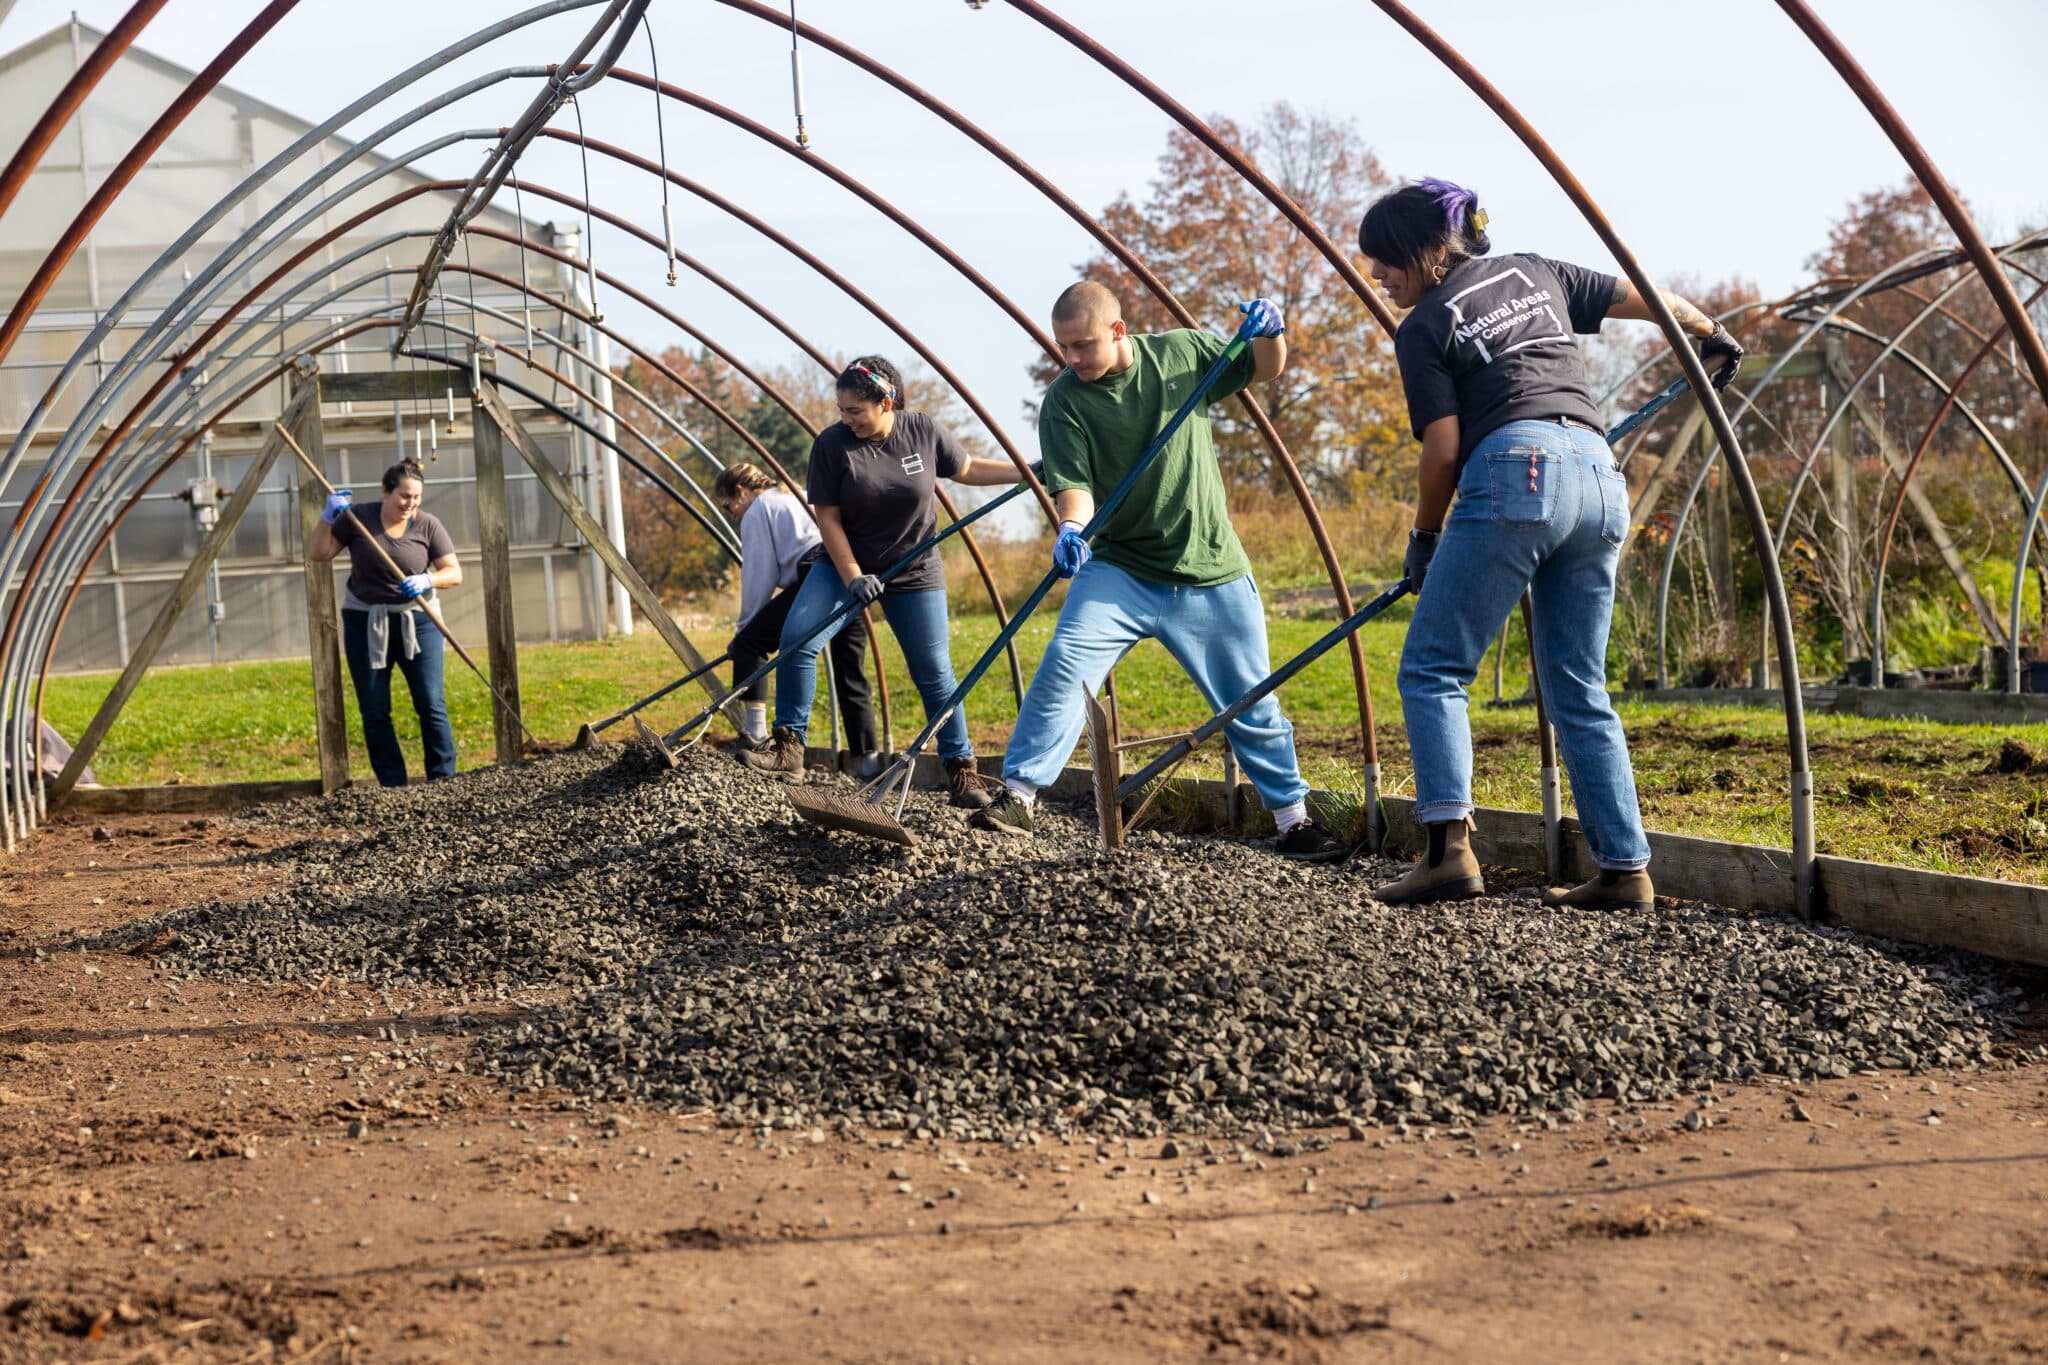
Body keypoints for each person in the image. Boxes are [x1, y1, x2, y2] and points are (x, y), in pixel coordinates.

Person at [1358, 177, 1743, 910]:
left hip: (1514, 471)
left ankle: (1446, 853)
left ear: (1428, 252)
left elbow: (1443, 450)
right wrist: (1708, 331)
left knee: (1434, 666)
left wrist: (1424, 536)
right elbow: (1647, 298)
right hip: (1599, 477)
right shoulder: (1537, 272)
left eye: (1384, 261)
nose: (1377, 276)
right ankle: (1626, 868)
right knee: (1577, 683)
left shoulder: (1424, 324)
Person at [970, 281, 1348, 862]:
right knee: (1066, 662)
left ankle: (1292, 821)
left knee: (1251, 698)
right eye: (1062, 347)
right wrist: (1071, 529)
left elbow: (1263, 370)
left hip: (1211, 569)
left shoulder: (1181, 354)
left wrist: (1272, 333)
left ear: (1118, 332)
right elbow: (1074, 486)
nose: (1071, 359)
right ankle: (1018, 796)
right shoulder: (1065, 401)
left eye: (1083, 345)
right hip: (1120, 568)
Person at [739, 356, 1015, 810]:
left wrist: (1025, 472)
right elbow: (827, 520)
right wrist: (853, 578)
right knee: (797, 638)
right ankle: (789, 748)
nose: (845, 419)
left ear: (886, 402)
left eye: (855, 411)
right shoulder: (832, 446)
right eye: (841, 410)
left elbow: (966, 469)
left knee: (935, 673)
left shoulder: (922, 431)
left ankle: (961, 772)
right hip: (842, 567)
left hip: (915, 570)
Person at [307, 455, 463, 787]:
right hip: (365, 622)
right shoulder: (357, 518)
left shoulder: (428, 525)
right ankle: (393, 784)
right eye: (404, 496)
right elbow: (319, 554)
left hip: (418, 620)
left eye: (416, 497)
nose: (411, 503)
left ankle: (444, 780)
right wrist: (327, 519)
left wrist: (428, 581)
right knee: (375, 709)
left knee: (430, 701)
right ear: (385, 491)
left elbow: (454, 572)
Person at [713, 461, 878, 771]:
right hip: (849, 570)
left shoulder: (759, 508)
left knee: (751, 642)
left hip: (817, 571)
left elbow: (759, 575)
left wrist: (744, 629)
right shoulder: (794, 493)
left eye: (728, 507)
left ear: (740, 491)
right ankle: (867, 760)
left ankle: (755, 734)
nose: (731, 515)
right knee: (849, 669)